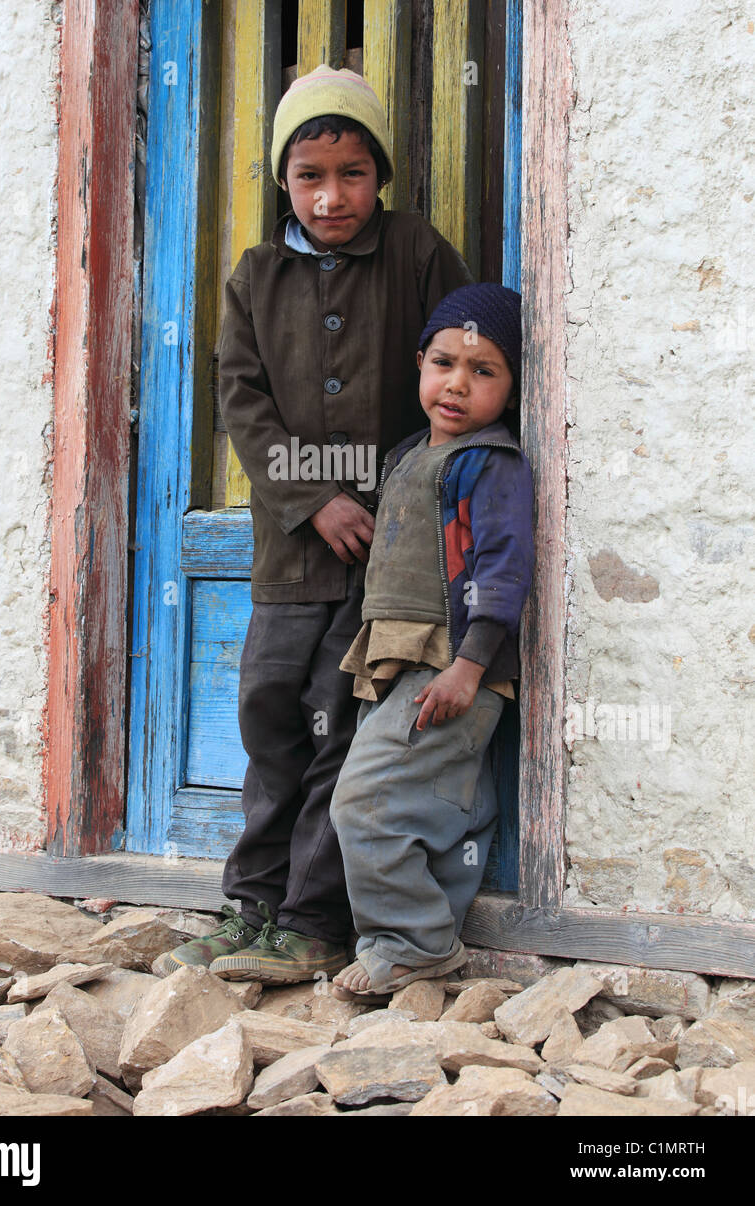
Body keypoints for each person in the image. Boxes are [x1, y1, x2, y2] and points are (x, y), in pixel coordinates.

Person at [152, 64, 474, 984]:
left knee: (344, 731)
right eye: (310, 176)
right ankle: (247, 904)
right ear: (282, 181)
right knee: (269, 717)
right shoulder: (257, 275)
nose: (333, 196)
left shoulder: (417, 254)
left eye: (354, 173)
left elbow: (456, 366)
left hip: (385, 554)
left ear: (382, 177)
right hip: (292, 551)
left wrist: (408, 496)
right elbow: (242, 401)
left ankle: (312, 921)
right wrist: (310, 497)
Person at [329, 282, 534, 1000]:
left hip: (449, 669)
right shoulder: (410, 454)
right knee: (447, 807)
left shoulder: (490, 463)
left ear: (512, 388)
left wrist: (469, 668)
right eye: (444, 362)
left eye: (485, 372)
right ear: (420, 362)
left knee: (365, 802)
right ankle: (433, 935)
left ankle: (411, 943)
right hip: (401, 662)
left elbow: (502, 574)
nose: (458, 384)